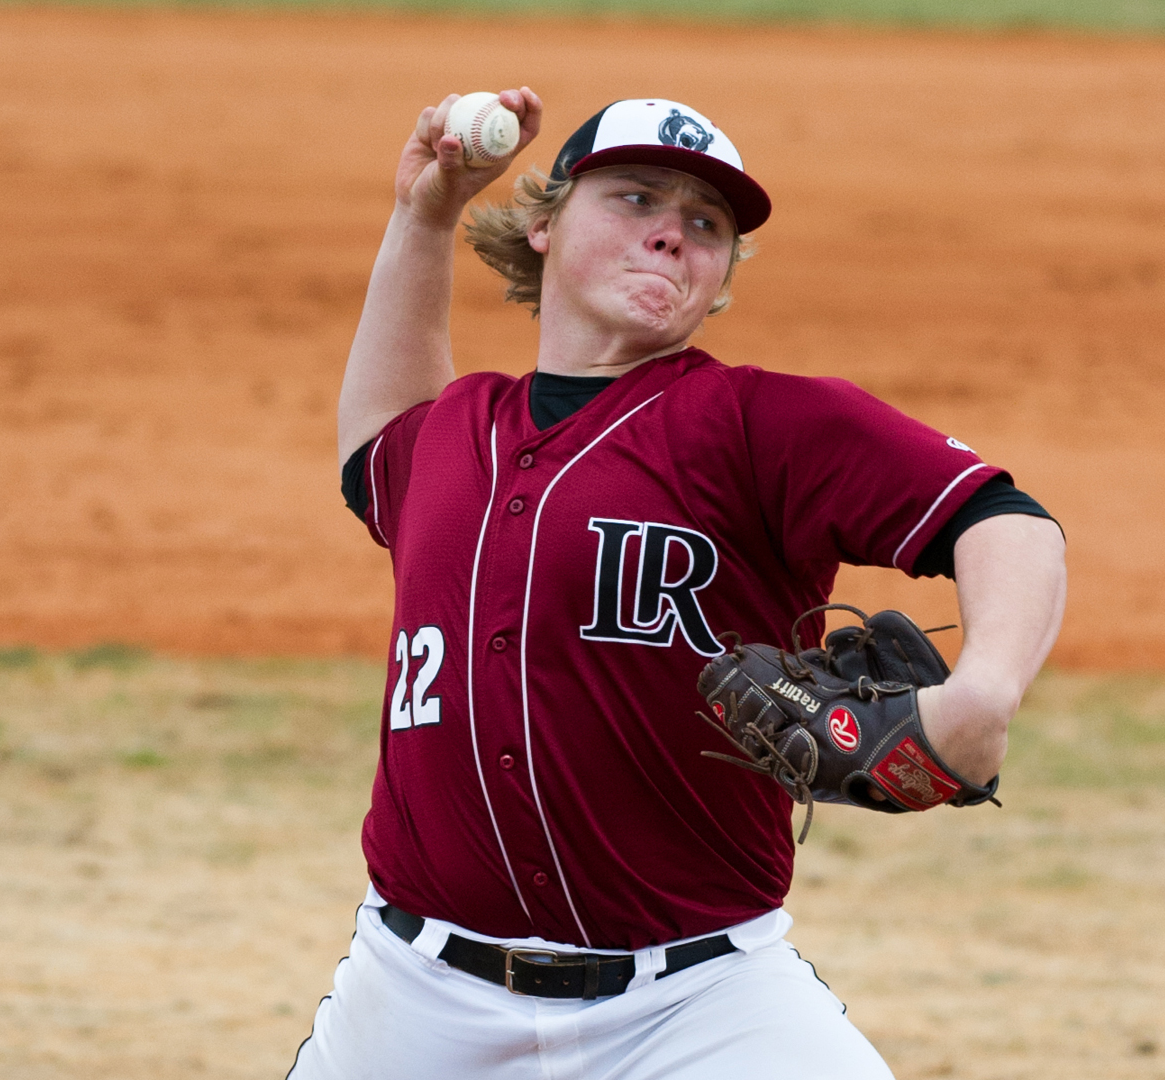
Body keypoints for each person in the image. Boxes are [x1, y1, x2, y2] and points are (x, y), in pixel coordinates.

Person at [286, 88, 1068, 1079]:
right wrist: (425, 212)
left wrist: (984, 692)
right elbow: (374, 436)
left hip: (699, 1006)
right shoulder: (447, 437)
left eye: (705, 226)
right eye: (635, 199)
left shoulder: (759, 424)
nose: (671, 235)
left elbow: (1002, 520)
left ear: (720, 280)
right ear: (542, 225)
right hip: (413, 998)